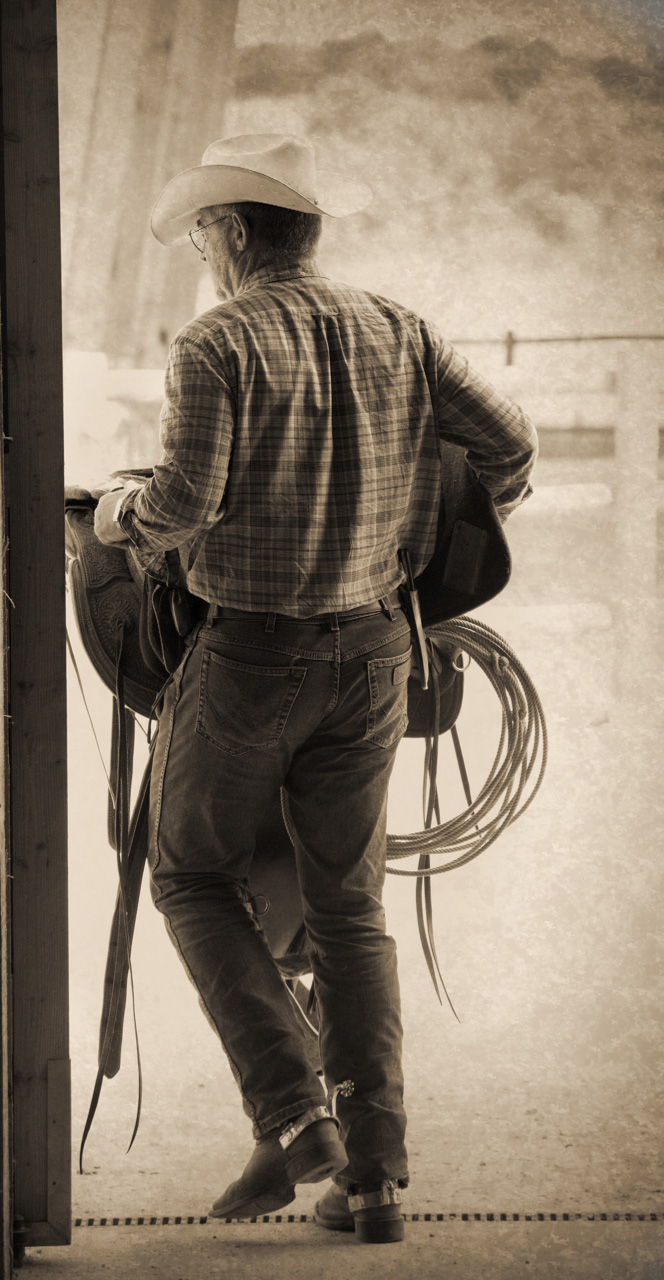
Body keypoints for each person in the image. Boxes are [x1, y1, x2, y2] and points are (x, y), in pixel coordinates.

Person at [93, 133, 537, 1244]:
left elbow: (185, 505)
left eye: (203, 229)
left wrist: (116, 519)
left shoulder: (216, 343)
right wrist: (413, 520)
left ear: (236, 231)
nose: (201, 247)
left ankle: (298, 1120)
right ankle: (376, 1176)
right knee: (349, 907)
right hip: (379, 650)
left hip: (251, 655)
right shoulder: (401, 326)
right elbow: (513, 447)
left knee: (191, 877)